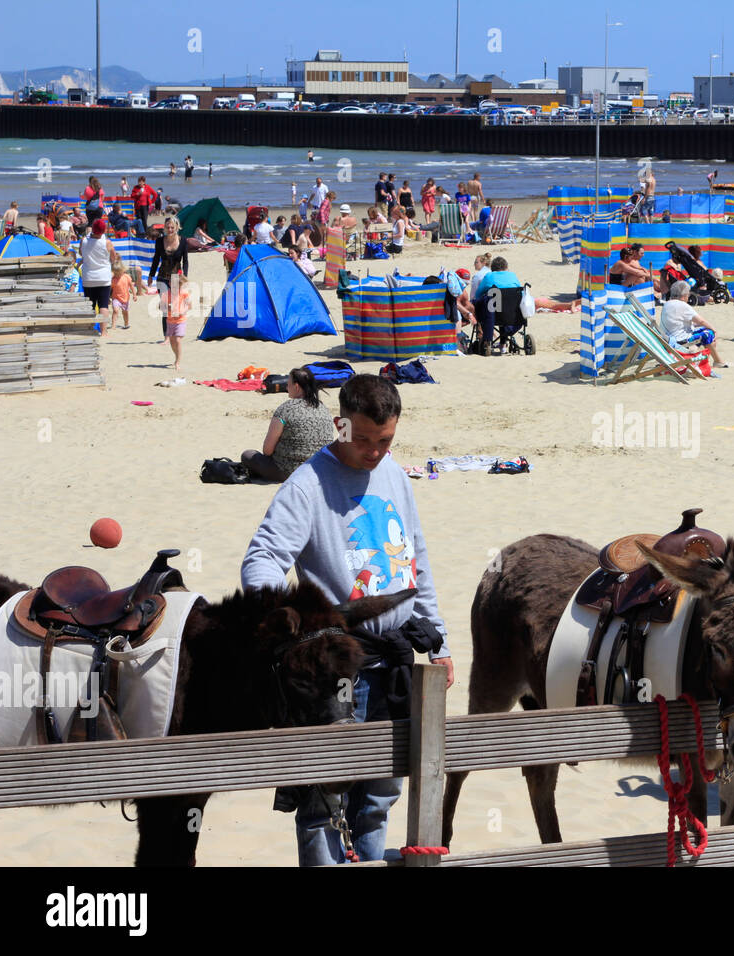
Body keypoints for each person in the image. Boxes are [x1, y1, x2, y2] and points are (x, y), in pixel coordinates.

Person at [241, 374, 452, 865]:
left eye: (385, 441)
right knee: (324, 802)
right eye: (362, 440)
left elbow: (415, 558)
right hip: (337, 668)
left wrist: (437, 641)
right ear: (340, 424)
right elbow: (262, 558)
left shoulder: (395, 474)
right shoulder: (308, 484)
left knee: (378, 799)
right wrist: (289, 627)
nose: (375, 452)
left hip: (397, 663)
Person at [240, 368, 334, 482]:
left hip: (288, 471)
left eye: (288, 384)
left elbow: (267, 450)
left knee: (248, 455)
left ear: (297, 387)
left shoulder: (286, 409)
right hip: (318, 469)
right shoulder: (323, 409)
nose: (286, 388)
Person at [660, 280, 726, 365]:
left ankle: (711, 361)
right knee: (709, 333)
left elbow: (679, 322)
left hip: (668, 339)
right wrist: (714, 330)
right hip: (680, 341)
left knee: (703, 329)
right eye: (688, 294)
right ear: (684, 295)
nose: (689, 297)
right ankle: (716, 361)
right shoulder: (683, 305)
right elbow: (701, 321)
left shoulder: (667, 304)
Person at [147, 219, 189, 338]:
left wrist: (185, 277)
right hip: (162, 277)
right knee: (165, 308)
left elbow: (185, 261)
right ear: (164, 228)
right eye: (167, 227)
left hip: (176, 277)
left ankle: (174, 334)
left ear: (177, 227)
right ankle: (166, 337)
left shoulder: (183, 241)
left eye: (172, 227)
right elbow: (156, 259)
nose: (170, 230)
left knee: (175, 307)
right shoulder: (160, 241)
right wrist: (151, 275)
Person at [472, 256, 523, 351]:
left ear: (492, 268)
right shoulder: (512, 276)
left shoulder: (489, 276)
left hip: (492, 314)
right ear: (506, 267)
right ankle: (503, 343)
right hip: (512, 314)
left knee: (490, 301)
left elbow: (478, 294)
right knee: (502, 303)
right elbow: (521, 293)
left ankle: (488, 340)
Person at [79, 219, 115, 318]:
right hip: (103, 277)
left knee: (90, 305)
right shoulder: (107, 242)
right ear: (103, 231)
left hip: (88, 277)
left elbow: (81, 254)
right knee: (103, 305)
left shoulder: (84, 240)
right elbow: (113, 259)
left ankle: (90, 329)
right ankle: (104, 332)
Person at [164, 271, 190, 370]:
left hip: (180, 320)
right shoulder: (166, 294)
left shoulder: (184, 293)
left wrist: (183, 311)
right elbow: (160, 306)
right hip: (170, 321)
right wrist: (167, 308)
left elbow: (189, 305)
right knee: (172, 341)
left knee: (178, 340)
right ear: (170, 284)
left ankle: (178, 362)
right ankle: (176, 357)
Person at [108, 261, 132, 331]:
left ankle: (126, 323)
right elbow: (109, 289)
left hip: (125, 298)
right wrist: (108, 298)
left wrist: (134, 294)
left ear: (122, 270)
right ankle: (113, 325)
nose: (117, 275)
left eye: (118, 273)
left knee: (125, 312)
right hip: (116, 298)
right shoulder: (113, 280)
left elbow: (131, 285)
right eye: (115, 273)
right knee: (115, 310)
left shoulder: (126, 277)